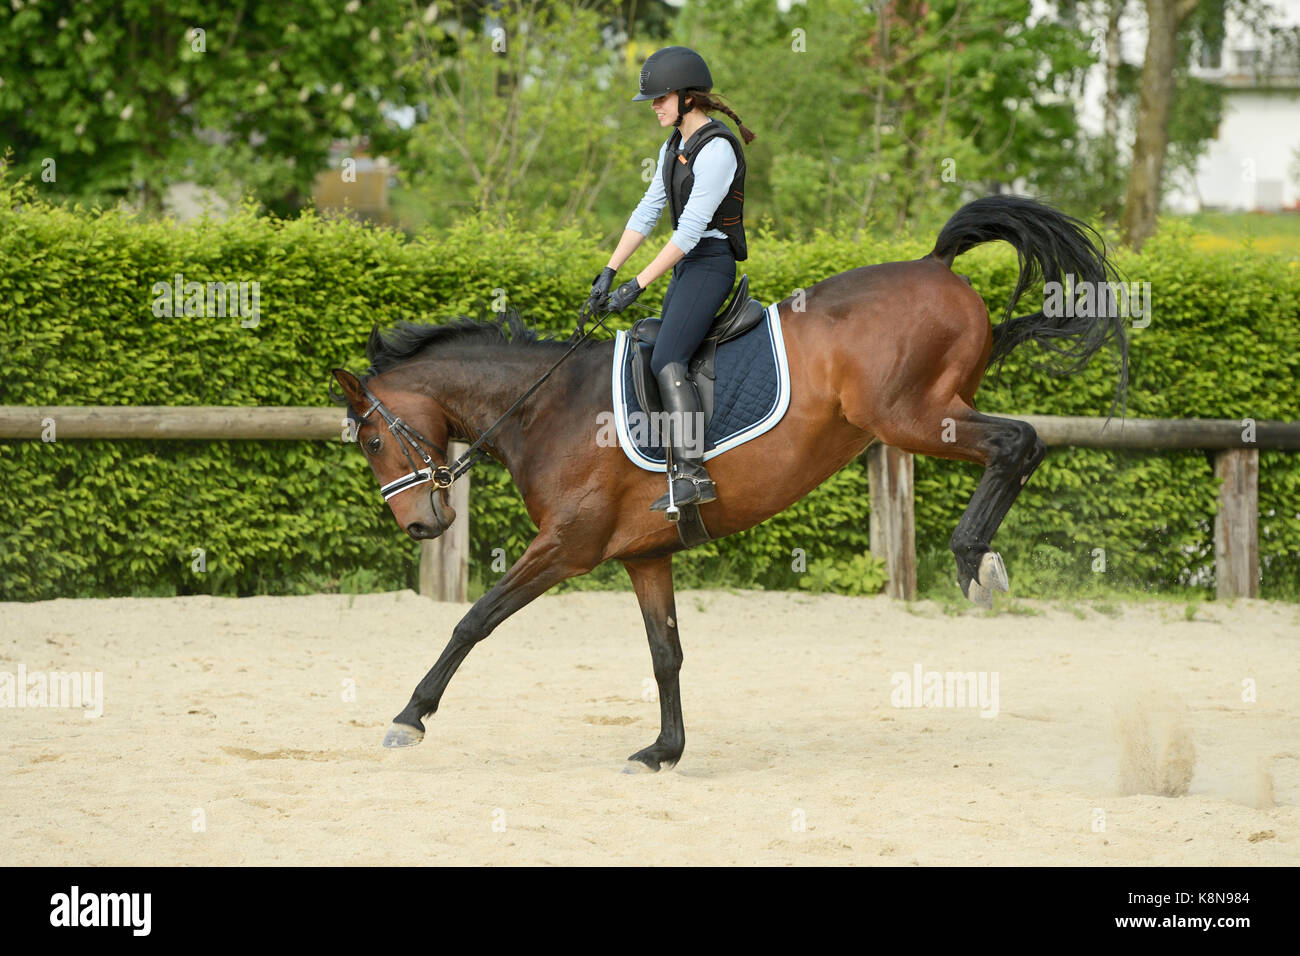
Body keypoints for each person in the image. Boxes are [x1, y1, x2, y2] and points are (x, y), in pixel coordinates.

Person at [587, 45, 756, 512]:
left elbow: (689, 231)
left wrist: (636, 285)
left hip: (711, 263)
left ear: (687, 98)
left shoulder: (718, 148)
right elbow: (648, 211)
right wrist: (609, 271)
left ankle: (691, 473)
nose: (655, 107)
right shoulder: (673, 148)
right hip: (687, 266)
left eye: (660, 99)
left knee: (667, 358)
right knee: (649, 339)